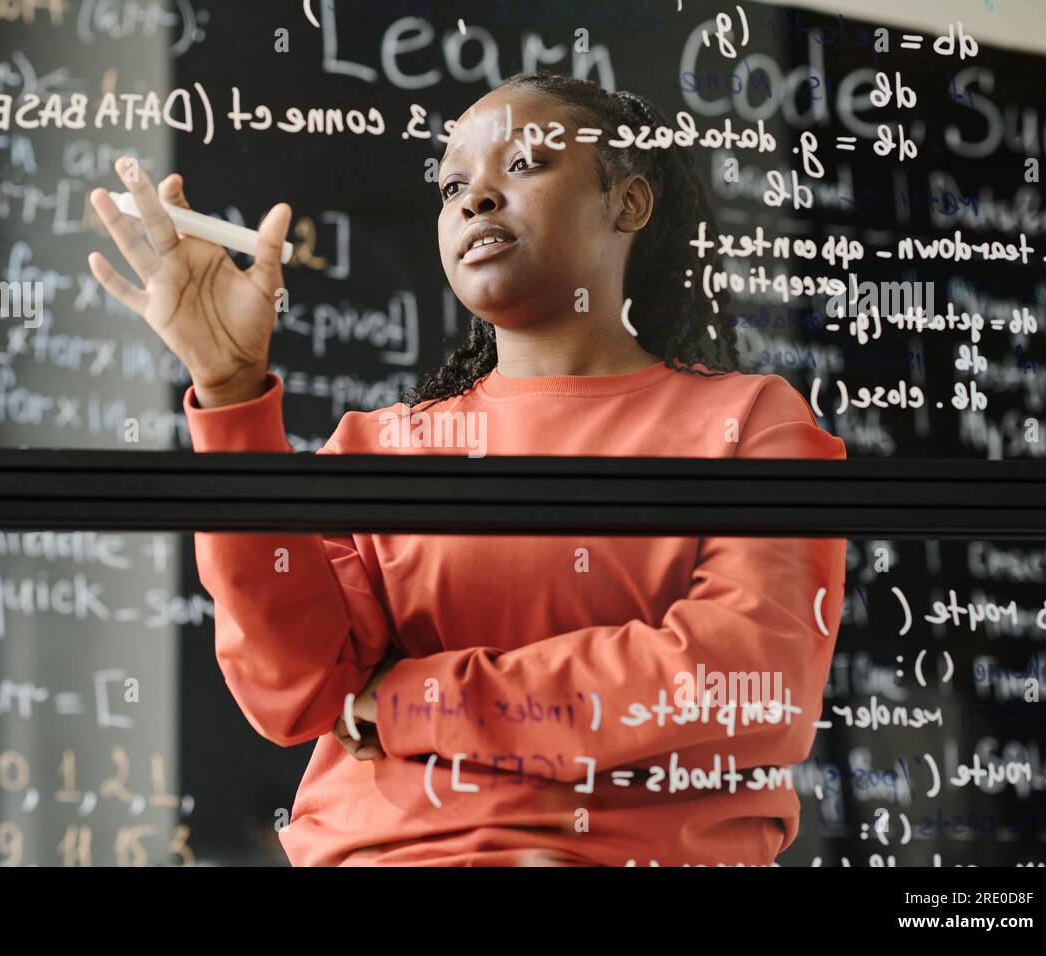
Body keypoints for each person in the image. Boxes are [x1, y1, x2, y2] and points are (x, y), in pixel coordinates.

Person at [87, 72, 847, 867]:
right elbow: (298, 691)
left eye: (523, 164)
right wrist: (232, 393)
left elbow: (748, 685)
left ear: (627, 203)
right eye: (454, 186)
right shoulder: (376, 448)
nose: (476, 198)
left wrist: (416, 700)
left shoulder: (752, 422)